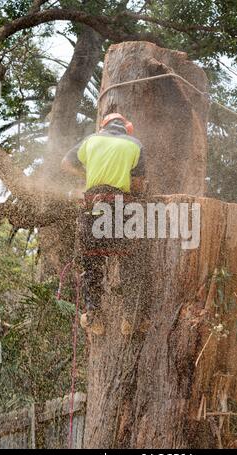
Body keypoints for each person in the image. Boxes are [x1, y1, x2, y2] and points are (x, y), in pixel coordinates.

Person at [61, 113, 147, 337]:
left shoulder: (90, 140)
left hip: (93, 205)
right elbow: (137, 184)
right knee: (129, 260)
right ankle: (130, 319)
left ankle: (93, 316)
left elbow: (66, 163)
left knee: (92, 263)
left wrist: (87, 172)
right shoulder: (135, 144)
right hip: (121, 207)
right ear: (126, 129)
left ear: (104, 126)